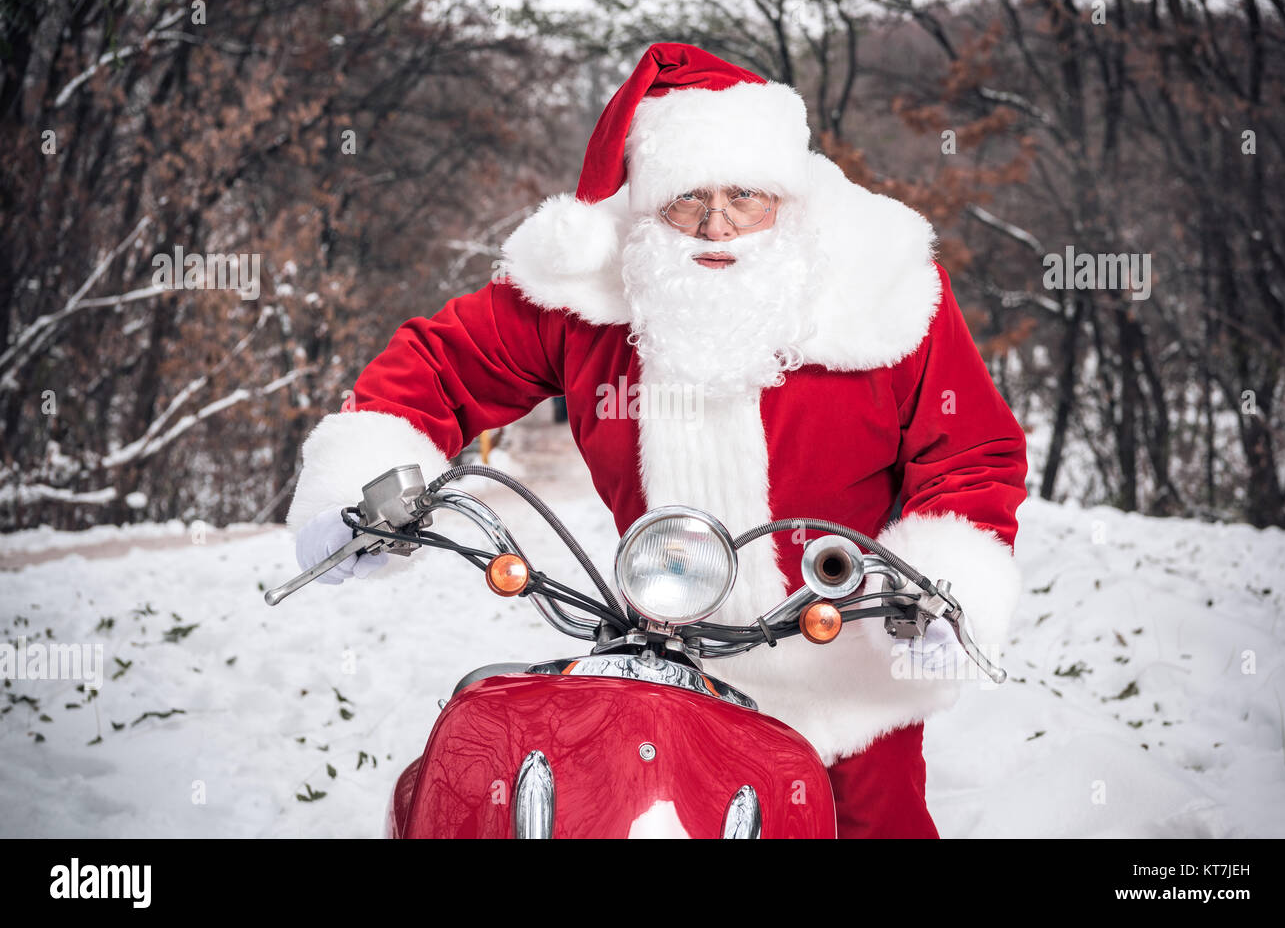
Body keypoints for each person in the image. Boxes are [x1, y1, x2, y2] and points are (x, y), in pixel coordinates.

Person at [287, 43, 1028, 837]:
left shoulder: (882, 289)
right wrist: (365, 476)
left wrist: (942, 582)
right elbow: (446, 362)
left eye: (745, 195)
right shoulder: (595, 294)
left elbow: (970, 450)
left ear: (787, 194)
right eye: (687, 199)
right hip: (666, 654)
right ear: (647, 204)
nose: (717, 224)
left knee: (876, 826)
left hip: (845, 652)